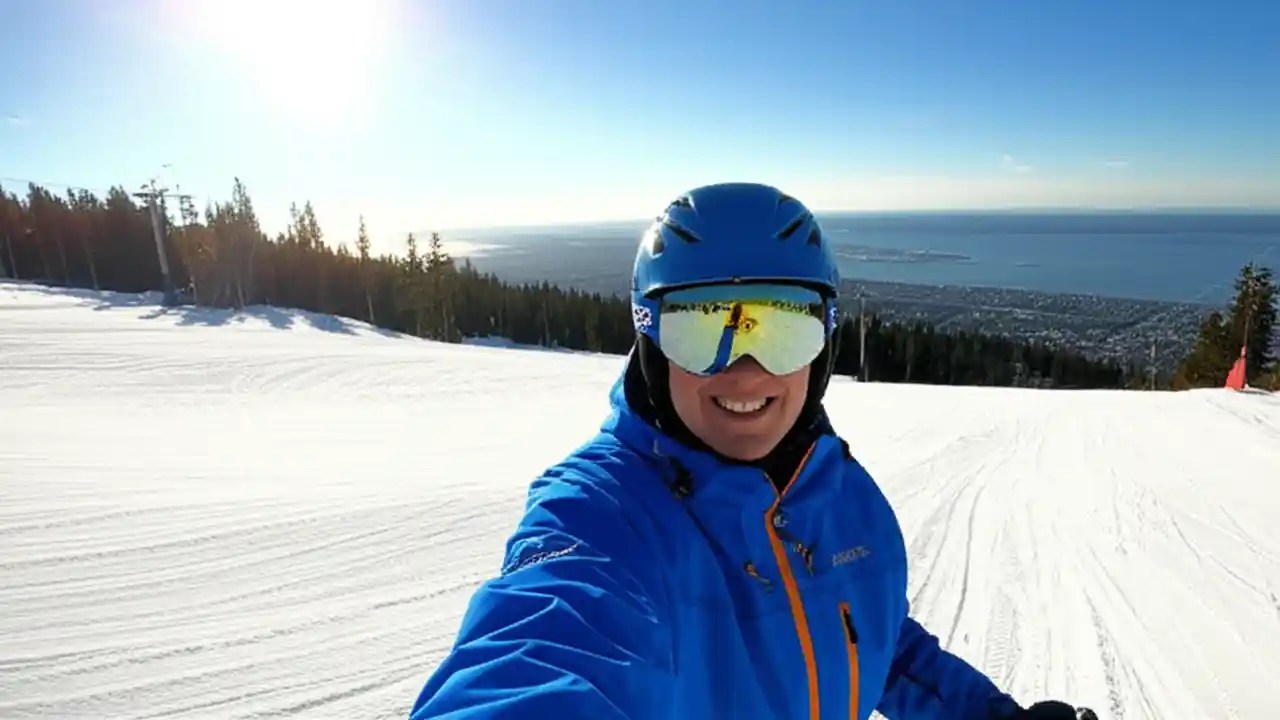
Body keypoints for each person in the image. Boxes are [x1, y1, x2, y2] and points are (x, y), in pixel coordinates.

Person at [408, 183, 1090, 719]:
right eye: (703, 328)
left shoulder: (839, 491)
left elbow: (874, 637)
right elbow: (548, 639)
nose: (745, 370)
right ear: (649, 342)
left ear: (822, 347)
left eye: (781, 329)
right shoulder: (604, 511)